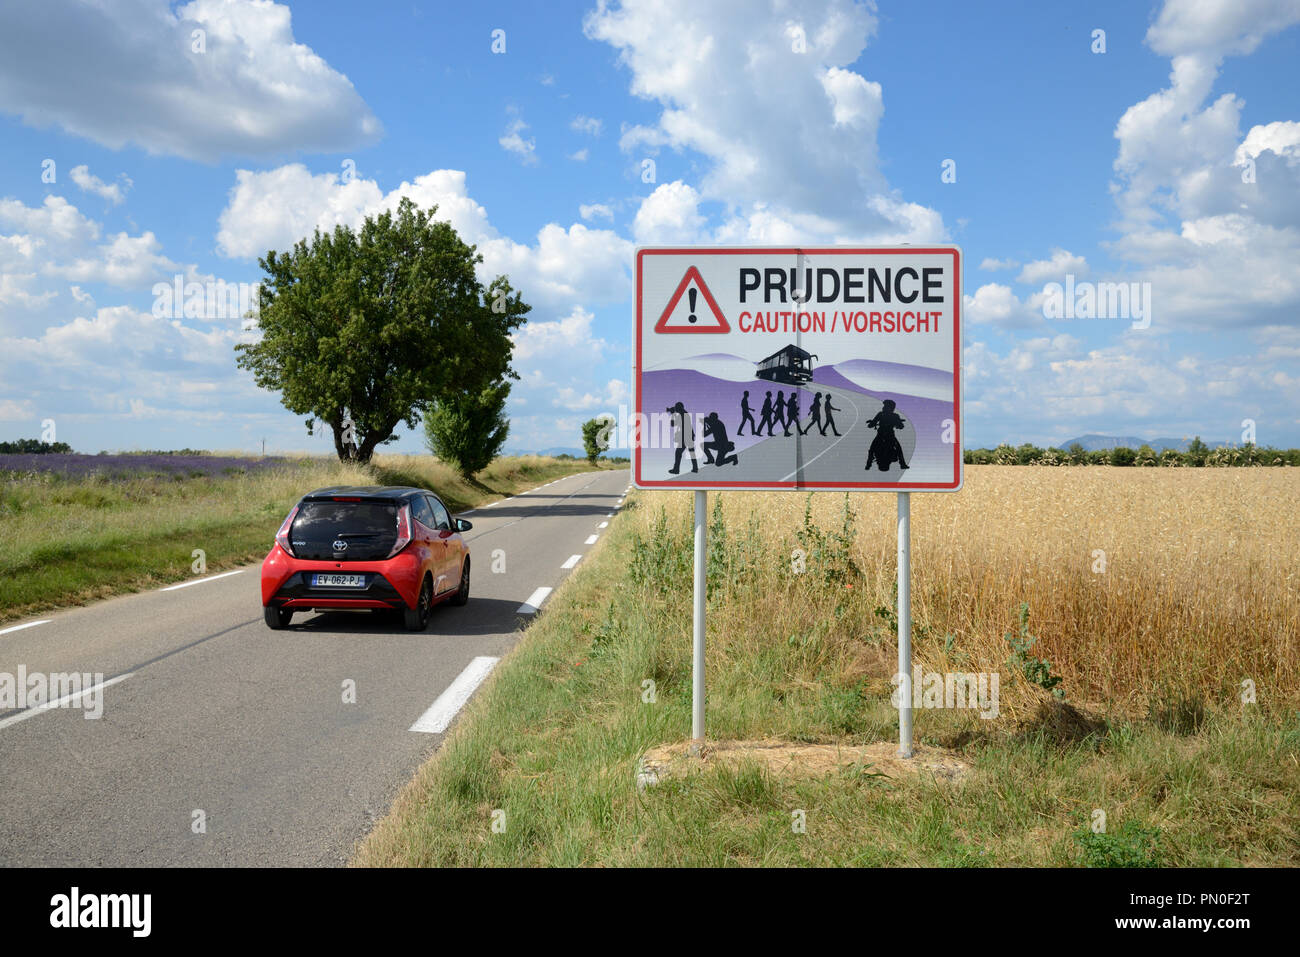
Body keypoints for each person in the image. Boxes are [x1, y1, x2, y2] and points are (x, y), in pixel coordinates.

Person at [864, 399, 908, 471]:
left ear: (888, 407)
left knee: (872, 448)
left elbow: (872, 424)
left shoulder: (880, 414)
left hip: (880, 434)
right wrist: (898, 424)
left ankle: (868, 465)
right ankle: (902, 464)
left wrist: (870, 424)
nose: (883, 407)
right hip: (890, 435)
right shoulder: (895, 416)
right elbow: (901, 426)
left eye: (885, 406)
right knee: (899, 449)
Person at [667, 401, 698, 474]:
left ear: (679, 408)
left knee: (678, 453)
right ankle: (695, 468)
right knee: (691, 452)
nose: (676, 409)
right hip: (689, 436)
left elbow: (672, 424)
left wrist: (672, 414)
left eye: (676, 407)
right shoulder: (684, 413)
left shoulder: (682, 415)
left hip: (686, 436)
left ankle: (676, 469)